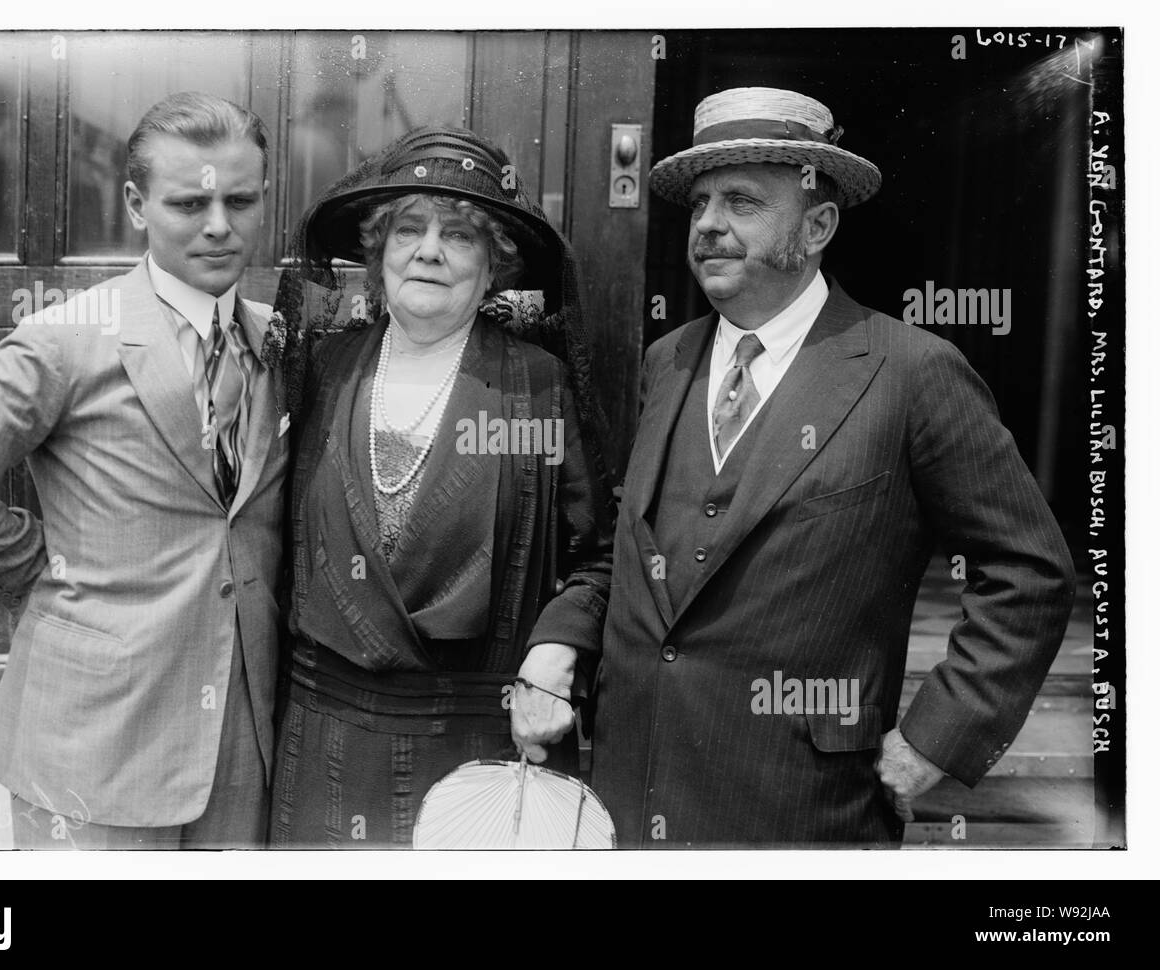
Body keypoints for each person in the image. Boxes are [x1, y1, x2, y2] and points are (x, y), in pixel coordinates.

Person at [589, 87, 1076, 847]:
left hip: (806, 813)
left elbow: (1029, 571)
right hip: (631, 791)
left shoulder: (911, 370)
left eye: (743, 202)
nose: (710, 225)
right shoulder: (667, 360)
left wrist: (932, 741)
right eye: (700, 203)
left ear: (817, 225)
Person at [0, 92, 286, 848]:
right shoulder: (64, 339)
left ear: (263, 198)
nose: (217, 224)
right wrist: (38, 572)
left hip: (240, 743)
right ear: (136, 205)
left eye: (239, 200)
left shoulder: (278, 341)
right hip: (91, 743)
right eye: (189, 202)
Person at [263, 126, 612, 847]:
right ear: (377, 253)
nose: (429, 249)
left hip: (474, 746)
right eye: (409, 230)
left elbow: (601, 553)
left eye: (459, 235)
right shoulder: (321, 370)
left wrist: (556, 651)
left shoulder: (535, 387)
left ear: (494, 271)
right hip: (324, 742)